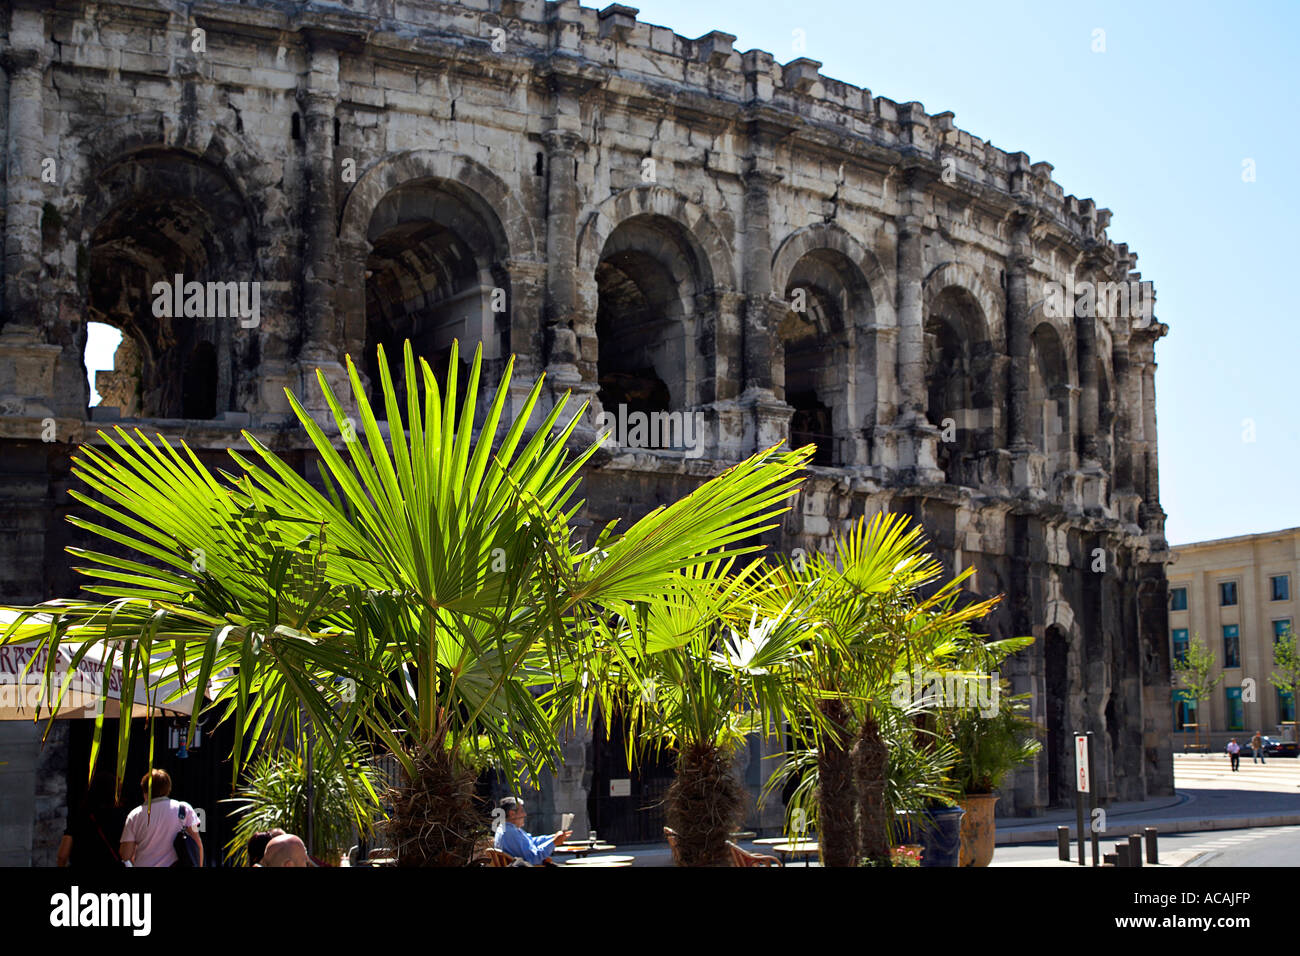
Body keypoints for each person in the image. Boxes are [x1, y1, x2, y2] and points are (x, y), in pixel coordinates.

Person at [119, 769, 204, 867]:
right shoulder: (183, 809)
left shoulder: (134, 815)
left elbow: (125, 854)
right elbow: (197, 844)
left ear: (145, 790)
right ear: (168, 788)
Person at [493, 796, 571, 865]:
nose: (525, 814)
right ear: (512, 814)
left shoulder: (507, 829)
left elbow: (531, 841)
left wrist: (553, 837)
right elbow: (533, 858)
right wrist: (553, 843)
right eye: (522, 811)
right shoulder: (509, 832)